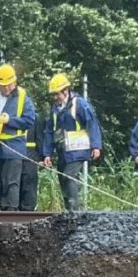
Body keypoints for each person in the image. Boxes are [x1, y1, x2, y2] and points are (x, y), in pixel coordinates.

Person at [0, 64, 36, 211]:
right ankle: (5, 208)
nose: (7, 88)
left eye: (9, 85)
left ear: (14, 82)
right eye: (4, 86)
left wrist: (11, 120)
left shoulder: (23, 97)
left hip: (14, 146)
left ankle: (11, 213)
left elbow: (29, 120)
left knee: (11, 182)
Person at [41, 73, 102, 211]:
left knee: (69, 176)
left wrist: (96, 146)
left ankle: (74, 211)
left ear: (66, 91)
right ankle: (70, 211)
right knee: (63, 179)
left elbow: (92, 123)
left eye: (57, 94)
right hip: (63, 152)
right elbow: (49, 131)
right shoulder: (55, 110)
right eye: (53, 95)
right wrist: (47, 154)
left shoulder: (79, 104)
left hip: (78, 150)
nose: (55, 98)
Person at [19, 122, 42, 211]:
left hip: (31, 155)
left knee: (30, 182)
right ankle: (14, 209)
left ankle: (28, 210)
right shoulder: (11, 115)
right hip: (12, 155)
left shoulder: (34, 118)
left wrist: (41, 156)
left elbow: (39, 137)